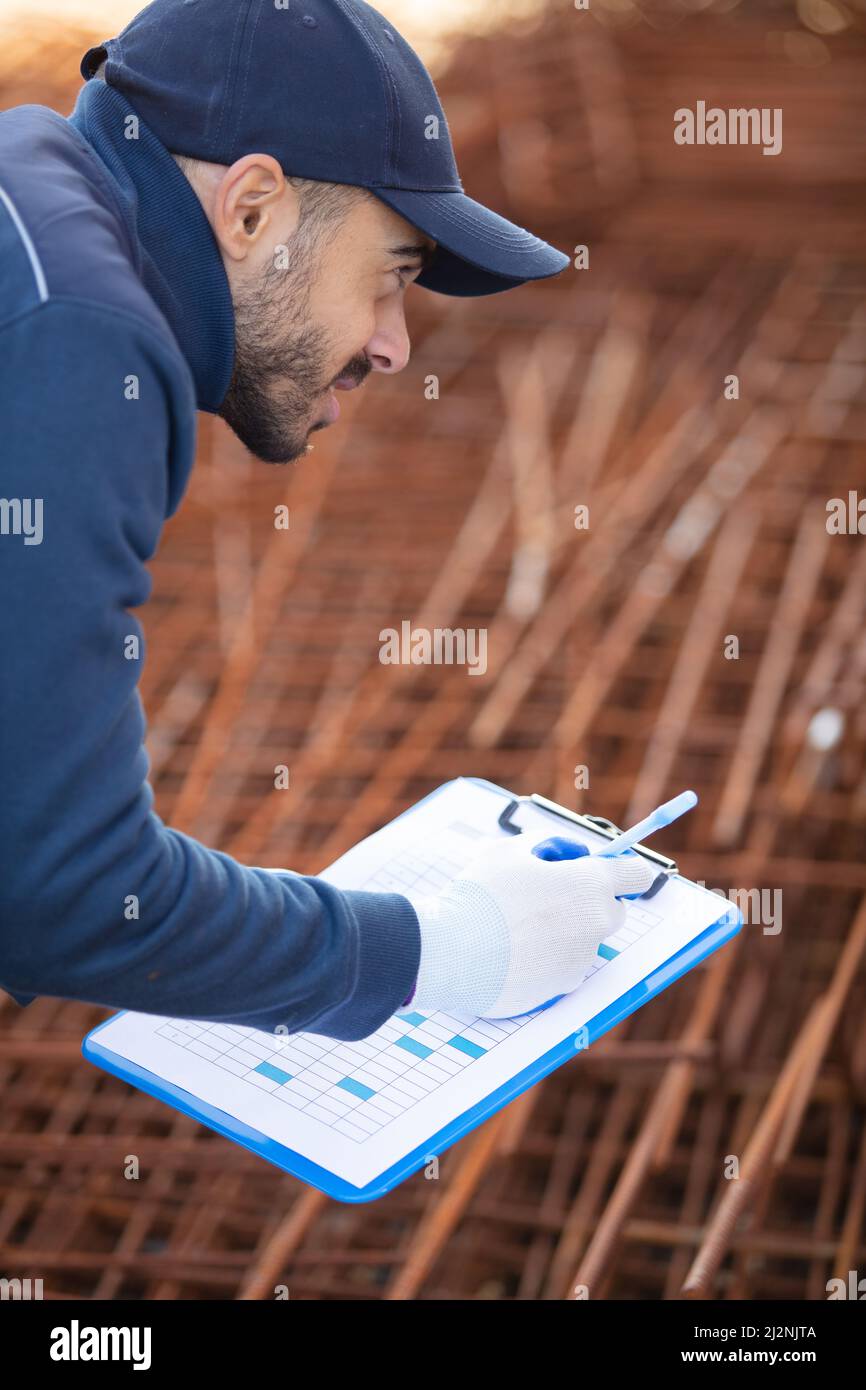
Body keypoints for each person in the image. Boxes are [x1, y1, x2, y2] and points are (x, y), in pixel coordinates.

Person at [0, 0, 654, 1039]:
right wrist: (432, 951)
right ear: (251, 209)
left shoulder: (29, 204)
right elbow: (58, 890)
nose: (394, 346)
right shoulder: (83, 337)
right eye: (390, 276)